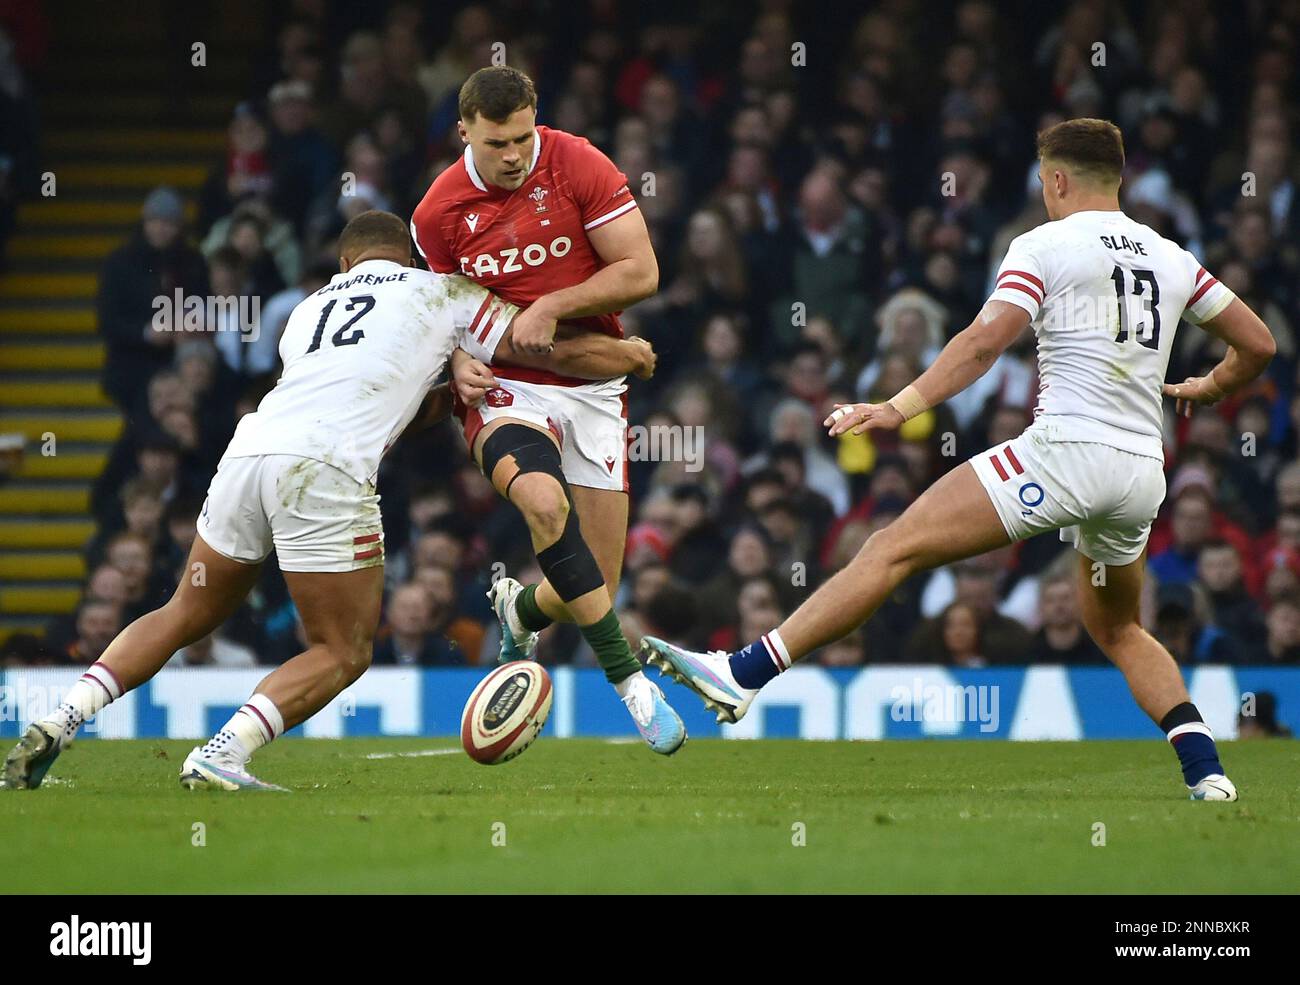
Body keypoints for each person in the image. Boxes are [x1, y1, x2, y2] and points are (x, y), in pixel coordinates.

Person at [643, 118, 1277, 802]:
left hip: (1064, 454)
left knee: (892, 547)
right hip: (1139, 473)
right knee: (1120, 627)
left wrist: (897, 406)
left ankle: (742, 673)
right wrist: (1212, 386)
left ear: (1057, 180)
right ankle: (1207, 772)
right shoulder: (1171, 256)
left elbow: (983, 344)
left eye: (1043, 182)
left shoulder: (1044, 243)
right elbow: (1260, 345)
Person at [3, 210, 654, 792]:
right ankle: (224, 752)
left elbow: (368, 380)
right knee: (342, 649)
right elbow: (534, 347)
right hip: (325, 469)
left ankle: (60, 718)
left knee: (183, 609)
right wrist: (618, 354)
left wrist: (446, 365)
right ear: (409, 260)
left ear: (346, 264)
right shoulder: (443, 292)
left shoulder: (306, 310)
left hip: (250, 451)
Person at [410, 65, 685, 755]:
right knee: (543, 504)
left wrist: (553, 305)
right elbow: (438, 314)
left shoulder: (577, 161)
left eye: (523, 138)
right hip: (507, 386)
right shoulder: (437, 215)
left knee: (596, 582)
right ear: (465, 130)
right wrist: (452, 361)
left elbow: (642, 272)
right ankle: (632, 687)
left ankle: (520, 604)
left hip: (592, 387)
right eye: (498, 142)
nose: (514, 155)